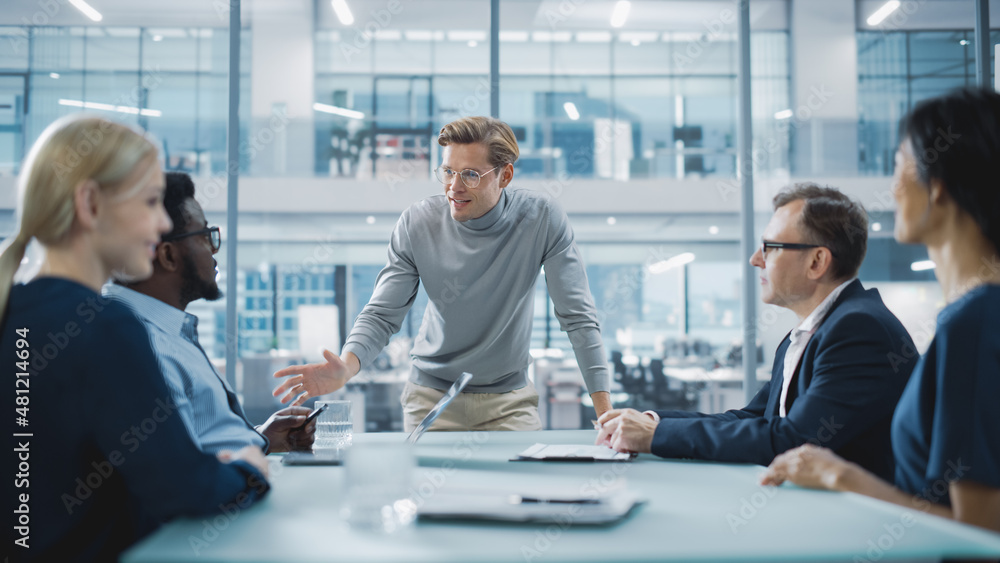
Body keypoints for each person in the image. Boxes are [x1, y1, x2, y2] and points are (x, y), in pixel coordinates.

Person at [0, 115, 269, 562]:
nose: (160, 222)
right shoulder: (104, 327)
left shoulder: (17, 313)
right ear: (90, 204)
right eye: (149, 202)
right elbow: (185, 488)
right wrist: (249, 471)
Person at [272, 116, 611, 431]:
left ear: (505, 176)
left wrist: (606, 415)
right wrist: (347, 365)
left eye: (471, 174)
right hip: (430, 399)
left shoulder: (541, 219)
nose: (454, 187)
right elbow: (382, 315)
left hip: (509, 401)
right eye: (448, 171)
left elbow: (578, 318)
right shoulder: (417, 222)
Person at [762, 87, 1000, 534]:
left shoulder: (975, 321)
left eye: (898, 166)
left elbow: (980, 533)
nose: (891, 187)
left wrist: (841, 476)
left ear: (940, 188)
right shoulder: (977, 315)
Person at [596, 184, 917, 481]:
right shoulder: (814, 331)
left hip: (860, 523)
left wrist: (655, 437)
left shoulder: (858, 330)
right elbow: (752, 418)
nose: (755, 260)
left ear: (817, 261)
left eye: (770, 247)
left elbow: (792, 440)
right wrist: (654, 423)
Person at [105, 172, 316, 454]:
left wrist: (259, 440)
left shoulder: (167, 332)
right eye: (205, 237)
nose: (214, 252)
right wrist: (249, 463)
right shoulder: (138, 344)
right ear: (168, 256)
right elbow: (173, 474)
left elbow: (196, 445)